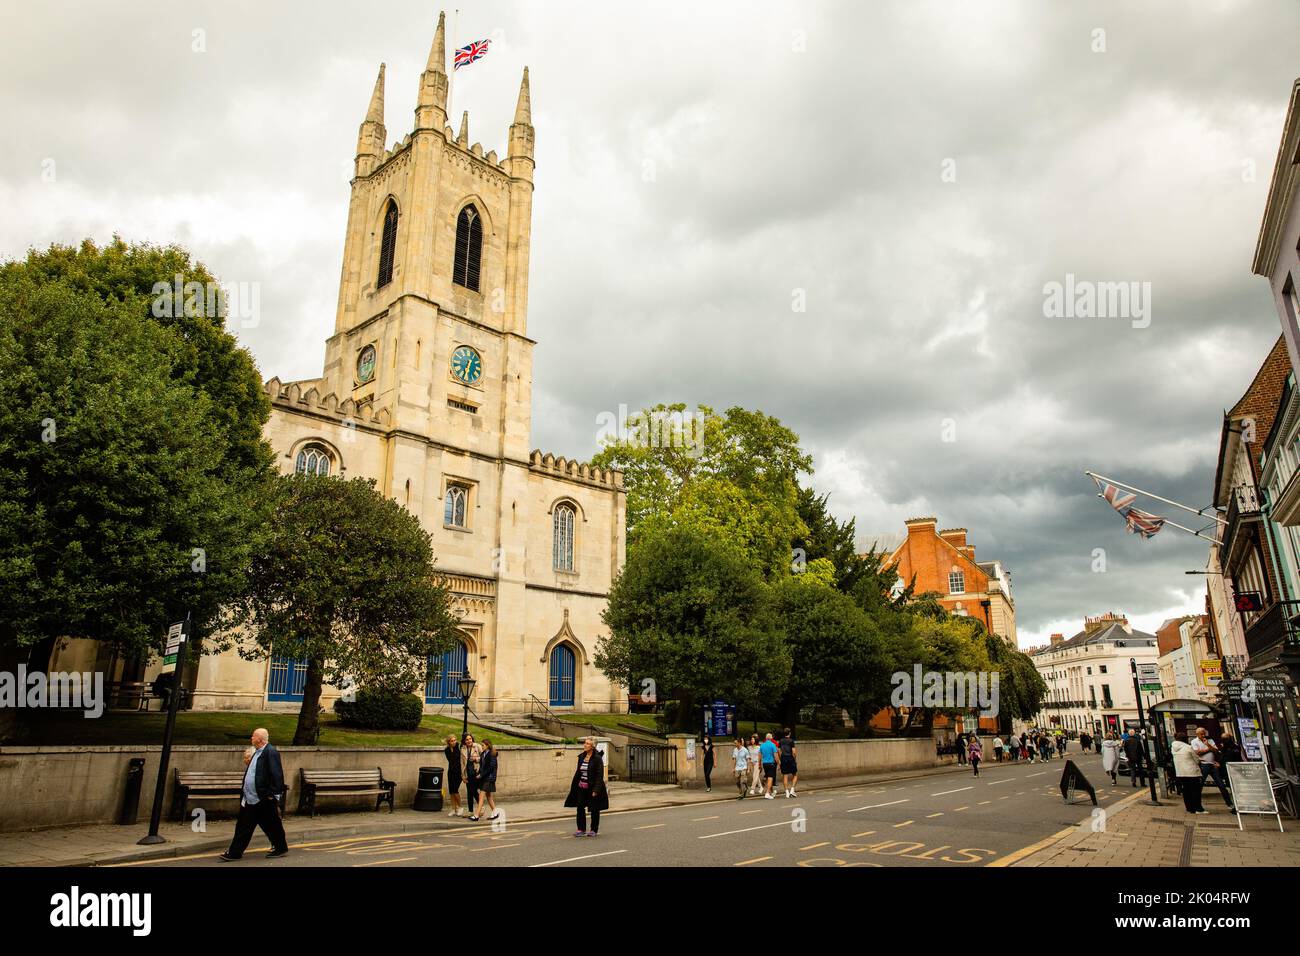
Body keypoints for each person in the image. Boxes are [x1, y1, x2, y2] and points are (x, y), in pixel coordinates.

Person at [221, 728, 289, 861]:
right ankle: (235, 853)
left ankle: (280, 847)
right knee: (244, 826)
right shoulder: (257, 752)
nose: (251, 738)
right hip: (251, 797)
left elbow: (277, 774)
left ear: (260, 739)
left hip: (263, 797)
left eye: (254, 736)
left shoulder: (270, 752)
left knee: (271, 825)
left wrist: (272, 794)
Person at [564, 737, 608, 836]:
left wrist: (596, 790)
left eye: (587, 743)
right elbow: (579, 772)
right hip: (581, 787)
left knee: (594, 809)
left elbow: (599, 775)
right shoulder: (582, 757)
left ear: (592, 746)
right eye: (585, 743)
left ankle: (593, 830)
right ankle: (581, 829)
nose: (585, 745)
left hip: (592, 788)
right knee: (579, 807)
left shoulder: (597, 758)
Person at [1191, 727, 1233, 810]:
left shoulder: (1210, 741)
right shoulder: (1194, 741)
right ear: (1197, 734)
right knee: (1200, 785)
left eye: (1204, 733)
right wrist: (1209, 749)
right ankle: (1196, 805)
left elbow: (1216, 751)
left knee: (1221, 785)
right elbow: (1198, 753)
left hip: (1213, 765)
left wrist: (1208, 745)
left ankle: (1229, 803)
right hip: (1204, 765)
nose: (1203, 735)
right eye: (1201, 734)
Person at [1172, 731, 1207, 814]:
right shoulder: (1188, 747)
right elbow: (1196, 759)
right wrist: (1199, 760)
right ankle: (1198, 808)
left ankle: (1189, 808)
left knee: (1186, 790)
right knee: (1195, 791)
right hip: (1191, 772)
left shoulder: (1173, 748)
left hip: (1181, 772)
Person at [472, 738, 499, 821]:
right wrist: (478, 773)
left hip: (489, 777)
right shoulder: (483, 753)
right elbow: (482, 766)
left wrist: (481, 775)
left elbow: (491, 768)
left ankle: (476, 815)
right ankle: (495, 813)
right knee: (488, 796)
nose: (482, 747)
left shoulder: (492, 754)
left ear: (487, 745)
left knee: (481, 795)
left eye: (483, 745)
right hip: (484, 777)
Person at [462, 732, 481, 820]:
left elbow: (484, 757)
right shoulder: (463, 749)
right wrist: (463, 776)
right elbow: (461, 763)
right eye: (467, 739)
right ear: (464, 741)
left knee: (473, 790)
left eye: (470, 739)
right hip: (468, 773)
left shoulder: (477, 746)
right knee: (469, 792)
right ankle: (470, 811)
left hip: (476, 772)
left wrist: (476, 759)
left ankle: (480, 807)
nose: (469, 741)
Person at [443, 734, 464, 816]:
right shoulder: (447, 750)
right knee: (451, 791)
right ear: (449, 742)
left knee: (455, 790)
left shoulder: (459, 747)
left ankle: (460, 807)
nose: (454, 742)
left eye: (455, 740)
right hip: (451, 772)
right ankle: (453, 809)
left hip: (459, 772)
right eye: (452, 741)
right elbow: (451, 760)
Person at [779, 728, 798, 797]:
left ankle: (786, 792)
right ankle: (792, 790)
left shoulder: (781, 741)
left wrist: (781, 759)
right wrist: (794, 759)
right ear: (789, 733)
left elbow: (779, 751)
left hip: (783, 758)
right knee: (795, 775)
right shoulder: (791, 741)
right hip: (790, 758)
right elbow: (794, 752)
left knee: (785, 775)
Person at [759, 732, 779, 799]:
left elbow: (759, 756)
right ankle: (767, 793)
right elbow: (776, 755)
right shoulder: (773, 745)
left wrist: (759, 764)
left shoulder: (762, 745)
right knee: (770, 778)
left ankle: (771, 792)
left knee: (768, 778)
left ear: (766, 738)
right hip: (771, 763)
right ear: (771, 738)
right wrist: (778, 763)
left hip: (764, 763)